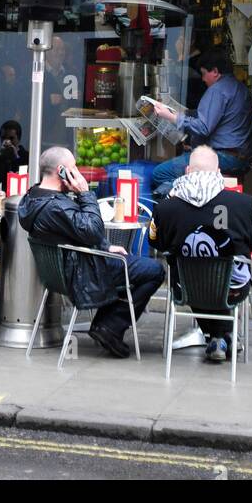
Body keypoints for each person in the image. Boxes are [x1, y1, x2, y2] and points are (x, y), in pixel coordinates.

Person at [18, 146, 163, 359]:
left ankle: (108, 324)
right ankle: (110, 326)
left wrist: (106, 247)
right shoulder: (57, 207)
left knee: (131, 265)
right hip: (83, 272)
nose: (77, 172)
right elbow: (93, 230)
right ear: (62, 171)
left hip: (68, 269)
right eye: (73, 168)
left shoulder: (32, 198)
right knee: (155, 270)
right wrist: (85, 193)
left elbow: (76, 233)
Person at [151, 145, 252, 364]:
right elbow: (249, 244)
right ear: (219, 173)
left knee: (196, 280)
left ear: (188, 171)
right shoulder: (243, 204)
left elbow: (156, 243)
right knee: (221, 280)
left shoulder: (166, 208)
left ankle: (217, 336)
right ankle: (224, 336)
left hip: (187, 289)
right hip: (234, 289)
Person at [151, 48, 252, 197]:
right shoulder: (239, 88)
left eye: (204, 73)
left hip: (225, 157)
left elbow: (203, 127)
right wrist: (185, 114)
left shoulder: (217, 90)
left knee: (160, 173)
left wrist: (171, 117)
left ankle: (192, 202)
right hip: (240, 156)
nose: (203, 79)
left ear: (215, 71)